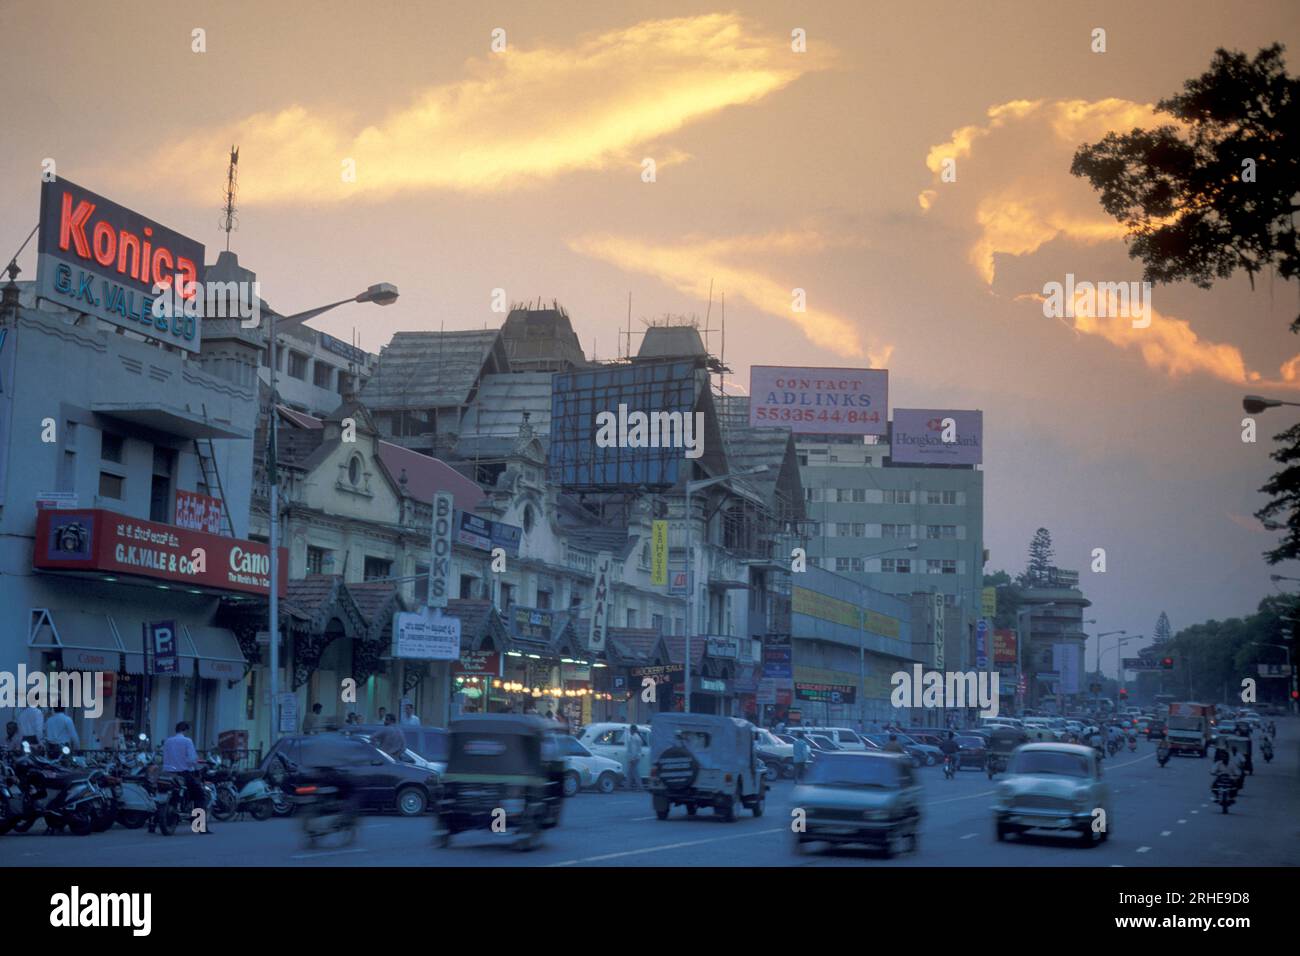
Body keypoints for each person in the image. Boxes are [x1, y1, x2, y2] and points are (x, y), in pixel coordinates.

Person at [159, 721, 213, 834]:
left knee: (159, 795)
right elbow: (192, 759)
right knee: (200, 796)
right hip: (183, 774)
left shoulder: (168, 741)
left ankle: (152, 825)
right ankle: (199, 826)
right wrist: (195, 766)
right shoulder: (187, 741)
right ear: (186, 730)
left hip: (167, 773)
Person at [624, 724, 642, 790]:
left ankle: (639, 787)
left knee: (634, 773)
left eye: (630, 729)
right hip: (635, 757)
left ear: (633, 730)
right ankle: (627, 786)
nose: (630, 731)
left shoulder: (634, 738)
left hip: (634, 758)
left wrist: (632, 759)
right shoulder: (636, 737)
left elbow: (634, 749)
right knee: (631, 772)